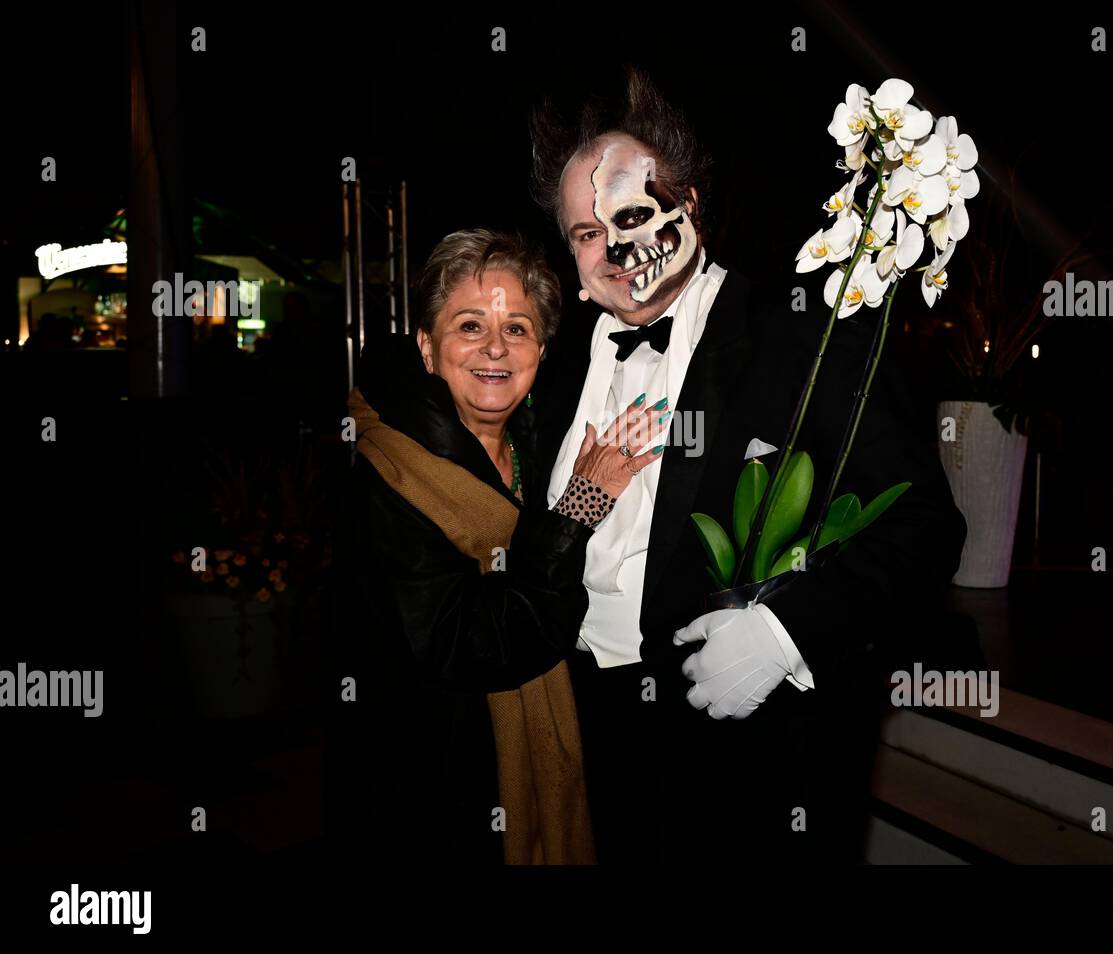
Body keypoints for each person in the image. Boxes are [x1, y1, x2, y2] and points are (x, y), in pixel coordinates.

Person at [528, 66, 967, 864]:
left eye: (632, 214)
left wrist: (787, 632)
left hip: (743, 762)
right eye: (588, 234)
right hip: (585, 731)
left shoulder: (804, 338)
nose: (617, 247)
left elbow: (925, 528)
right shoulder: (548, 369)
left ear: (688, 205)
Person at [327, 228, 666, 865]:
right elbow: (468, 641)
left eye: (517, 329)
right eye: (469, 325)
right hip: (429, 783)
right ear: (428, 347)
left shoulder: (539, 447)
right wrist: (580, 509)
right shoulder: (391, 474)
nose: (494, 348)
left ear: (540, 348)